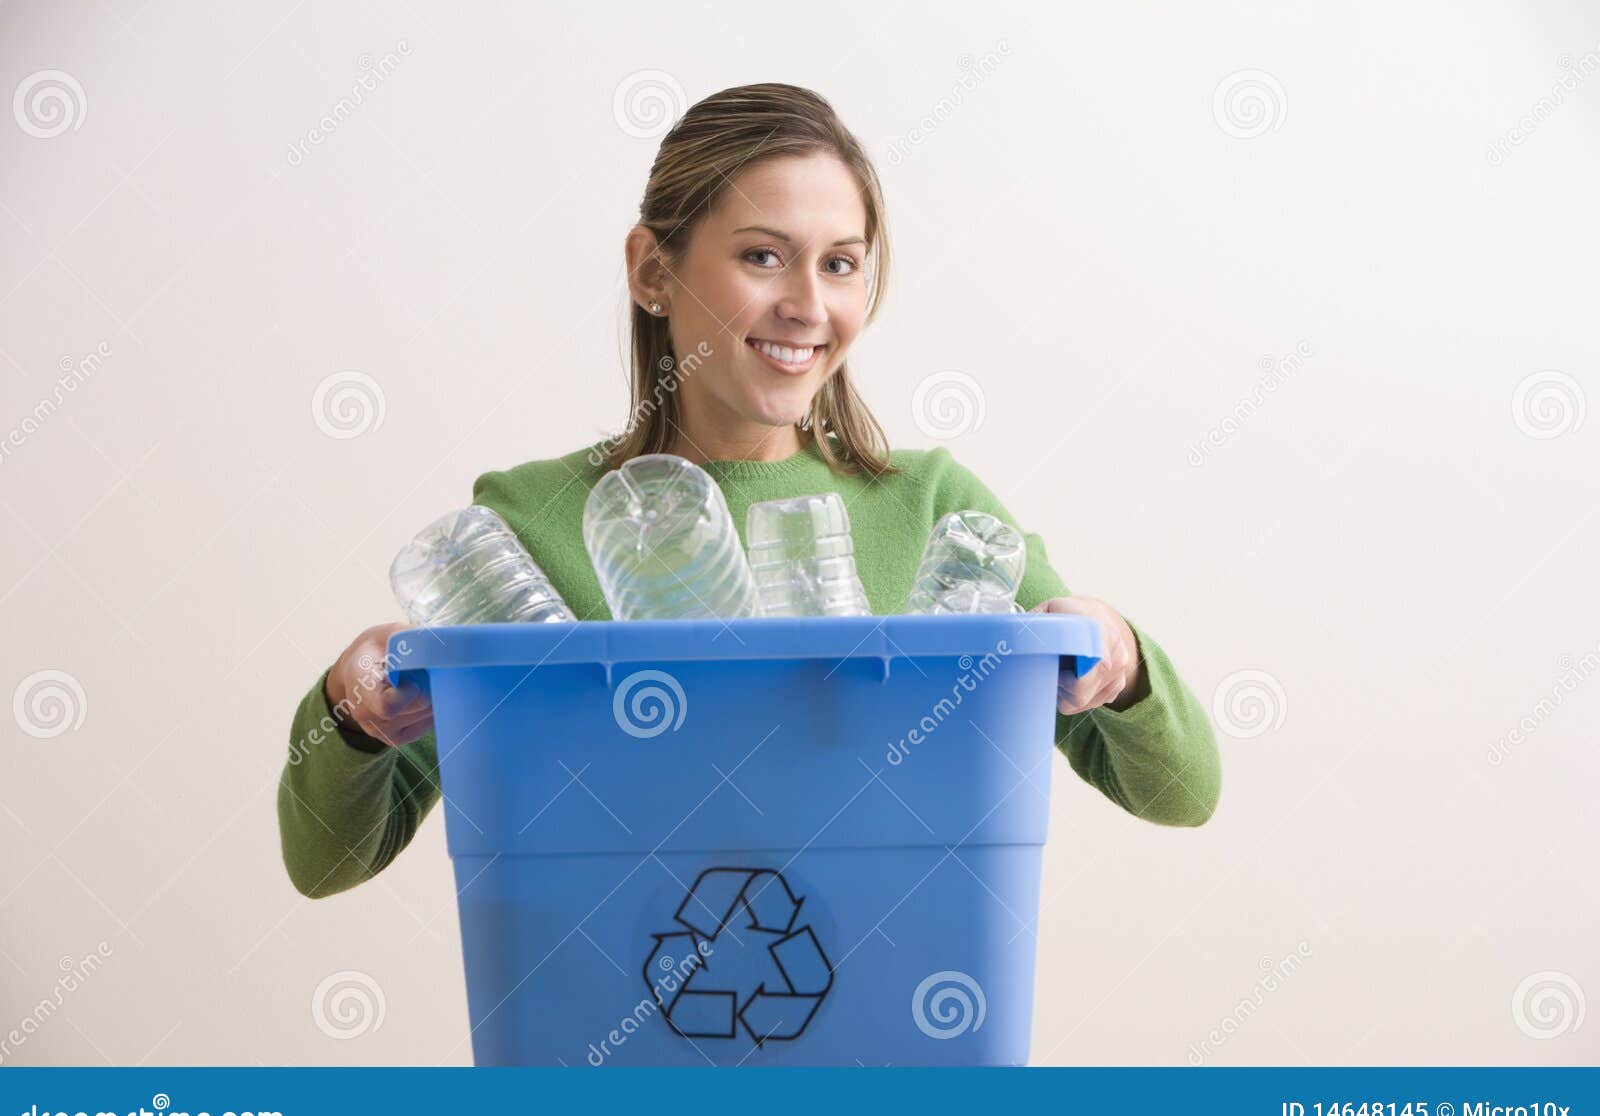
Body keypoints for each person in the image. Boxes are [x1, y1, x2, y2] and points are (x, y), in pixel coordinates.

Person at [277, 83, 1221, 900]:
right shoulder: (530, 529)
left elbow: (1181, 791)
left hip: (887, 1050)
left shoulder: (936, 512)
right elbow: (328, 861)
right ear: (654, 269)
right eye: (764, 256)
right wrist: (349, 711)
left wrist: (1121, 658)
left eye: (841, 262)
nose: (809, 304)